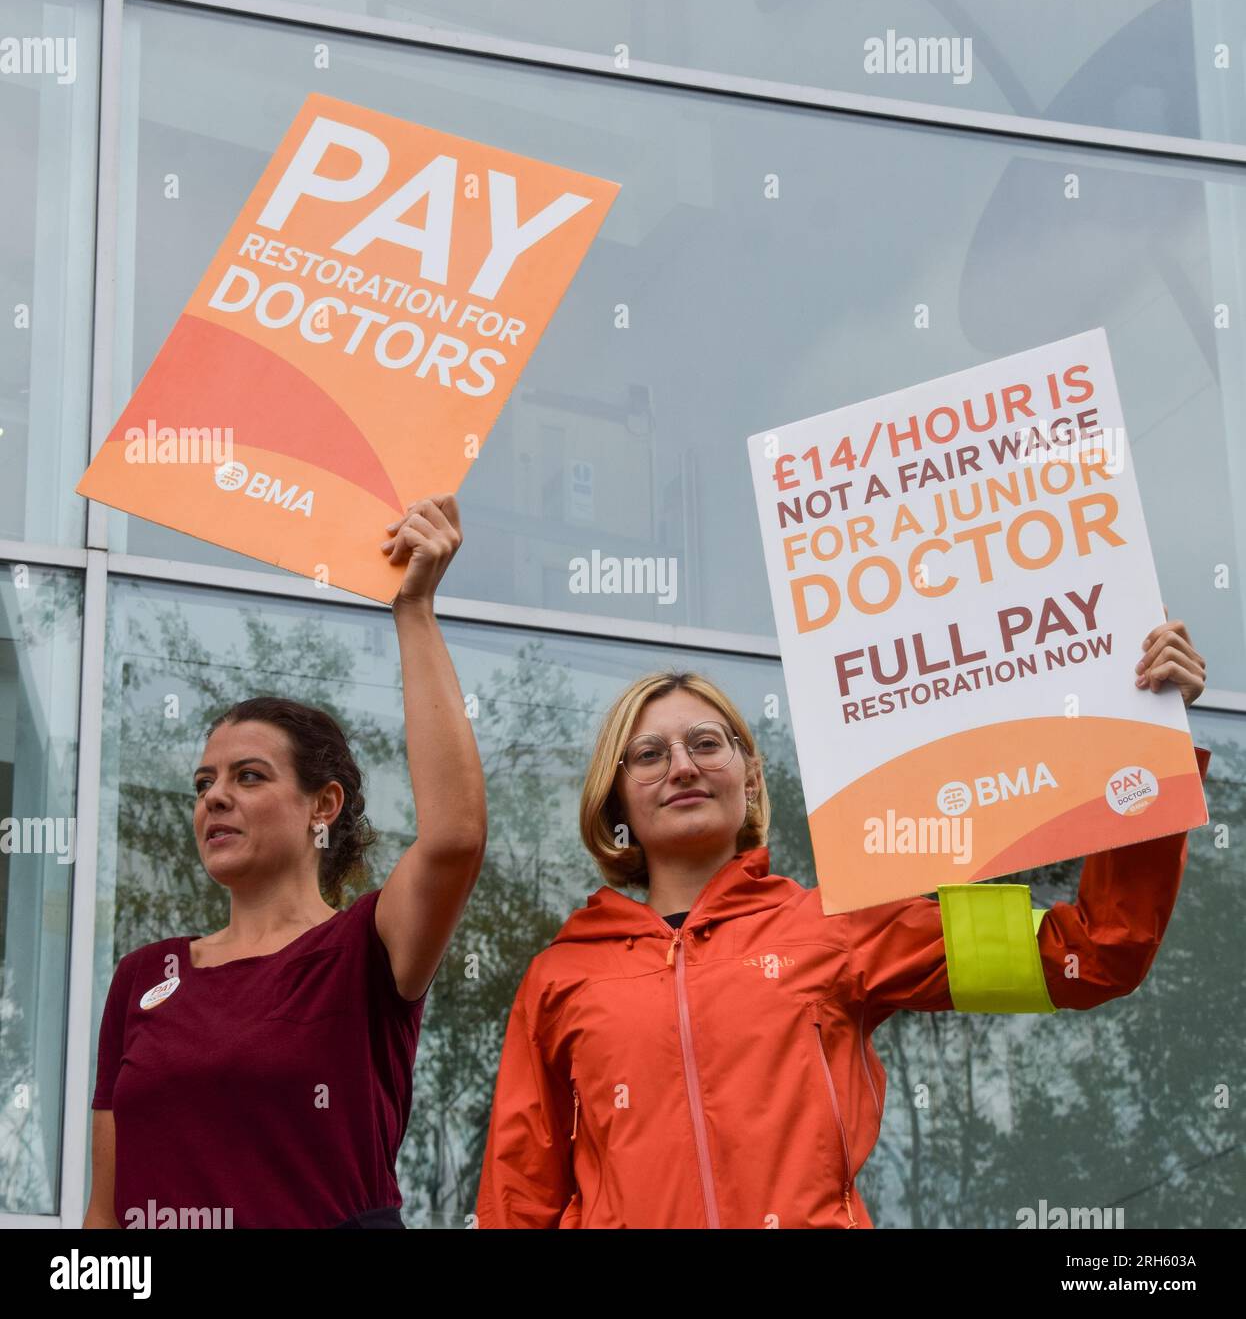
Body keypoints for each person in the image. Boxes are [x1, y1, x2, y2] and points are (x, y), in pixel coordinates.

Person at [475, 613, 1211, 1228]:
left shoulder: (840, 926)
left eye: (706, 743)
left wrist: (1147, 744)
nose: (683, 766)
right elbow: (518, 1201)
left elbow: (1093, 952)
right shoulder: (561, 976)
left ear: (751, 775)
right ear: (616, 801)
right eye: (649, 754)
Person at [85, 495, 484, 1229]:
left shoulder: (363, 949)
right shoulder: (143, 977)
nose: (215, 799)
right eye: (204, 784)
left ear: (321, 806)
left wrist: (414, 610)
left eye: (249, 777)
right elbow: (104, 1221)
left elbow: (455, 838)